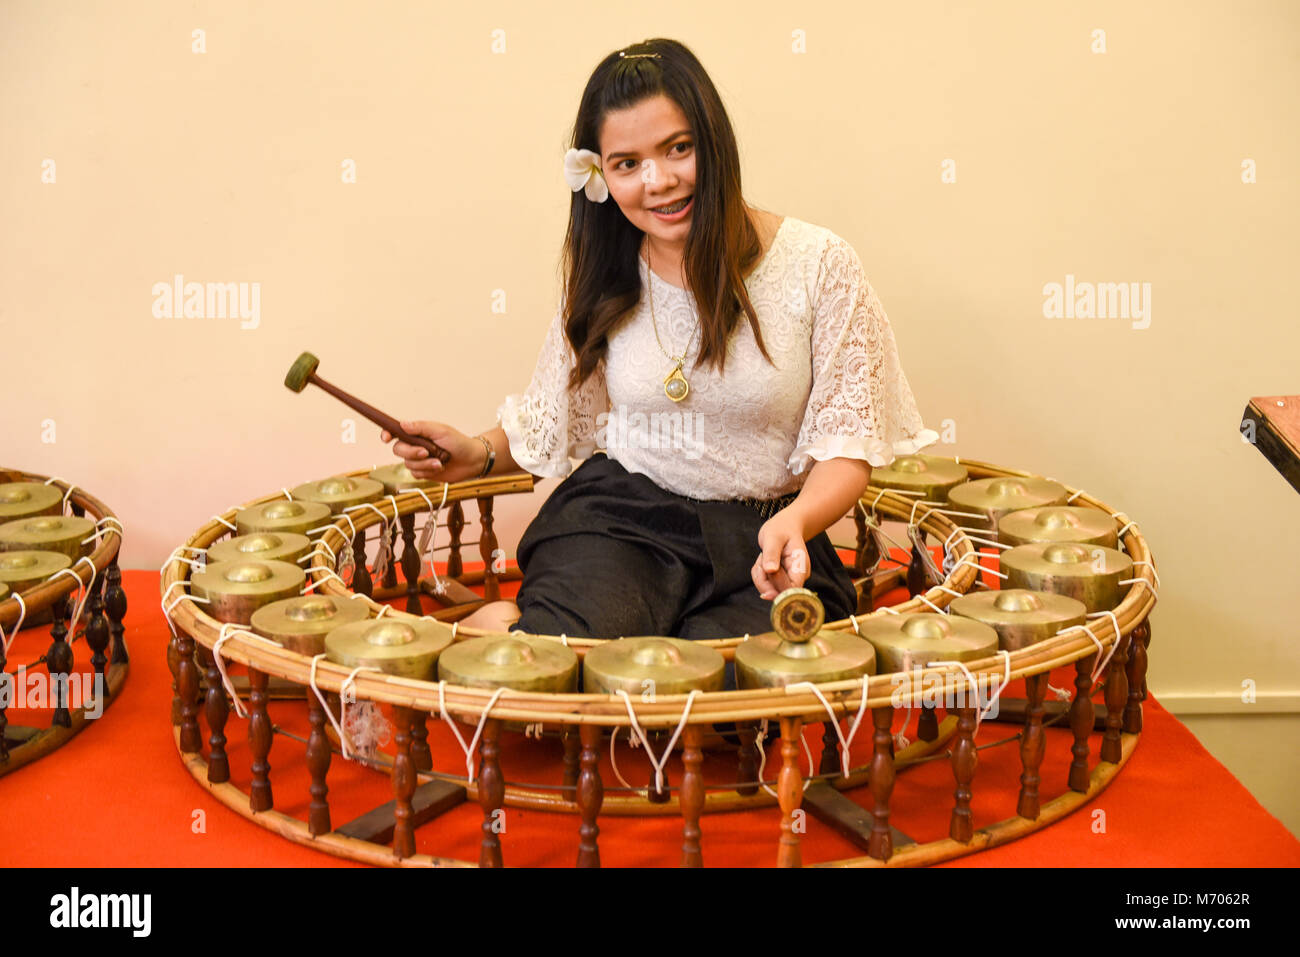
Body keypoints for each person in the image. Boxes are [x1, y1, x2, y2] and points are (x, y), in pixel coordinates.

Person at [383, 38, 937, 641]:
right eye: (627, 163)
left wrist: (800, 519)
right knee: (569, 663)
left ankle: (515, 629)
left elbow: (845, 446)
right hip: (624, 521)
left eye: (679, 149)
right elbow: (555, 414)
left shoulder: (819, 263)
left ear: (715, 142)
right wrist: (476, 453)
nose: (660, 182)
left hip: (765, 529)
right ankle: (518, 628)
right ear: (601, 174)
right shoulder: (608, 272)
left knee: (732, 694)